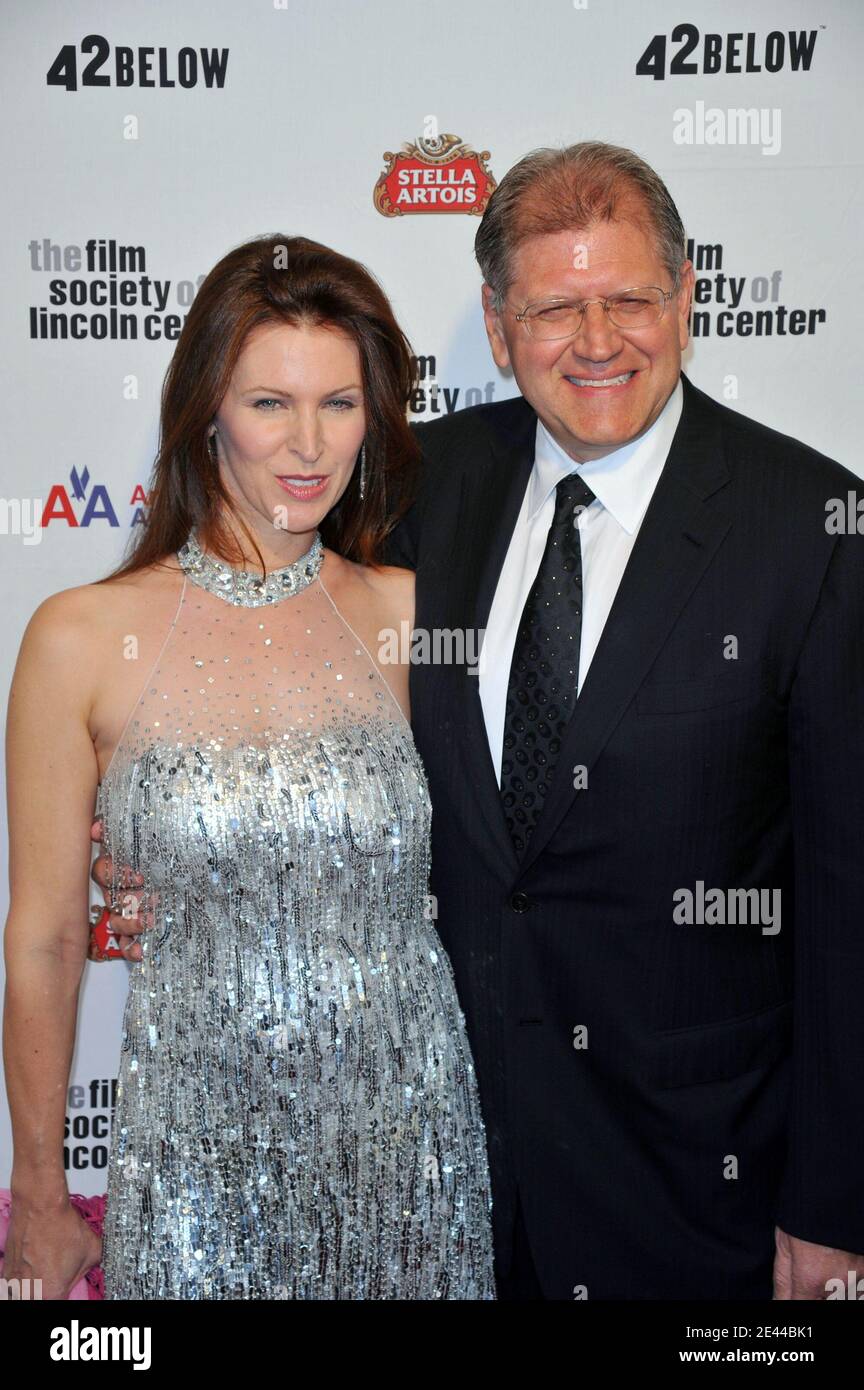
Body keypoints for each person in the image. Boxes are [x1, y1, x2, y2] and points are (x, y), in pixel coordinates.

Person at [98, 142, 864, 1301]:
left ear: (687, 299)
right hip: (437, 1172)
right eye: (556, 308)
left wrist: (832, 1205)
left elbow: (851, 900)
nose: (597, 340)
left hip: (702, 1190)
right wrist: (167, 853)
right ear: (500, 331)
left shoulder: (810, 526)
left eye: (629, 300)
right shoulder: (413, 487)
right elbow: (276, 682)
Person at [3, 233, 496, 1300]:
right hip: (190, 1166)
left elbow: (508, 865)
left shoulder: (412, 618)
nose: (308, 444)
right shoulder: (79, 637)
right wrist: (39, 1191)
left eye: (341, 403)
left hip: (409, 1156)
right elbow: (43, 935)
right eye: (270, 402)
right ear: (205, 411)